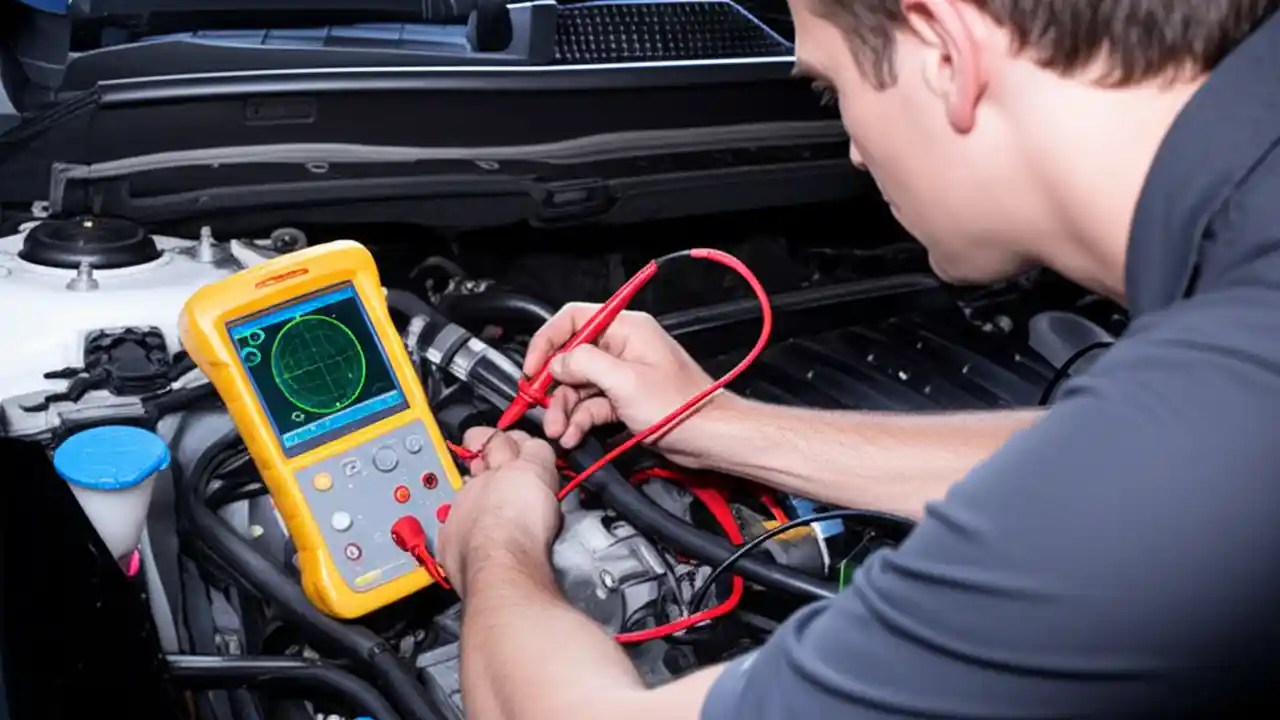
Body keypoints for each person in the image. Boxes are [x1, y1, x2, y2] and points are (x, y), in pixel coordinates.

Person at [437, 0, 1280, 716]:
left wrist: (497, 540)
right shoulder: (1228, 371)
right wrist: (714, 425)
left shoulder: (1212, 434)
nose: (852, 149)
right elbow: (1106, 468)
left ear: (946, 54)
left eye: (830, 87)